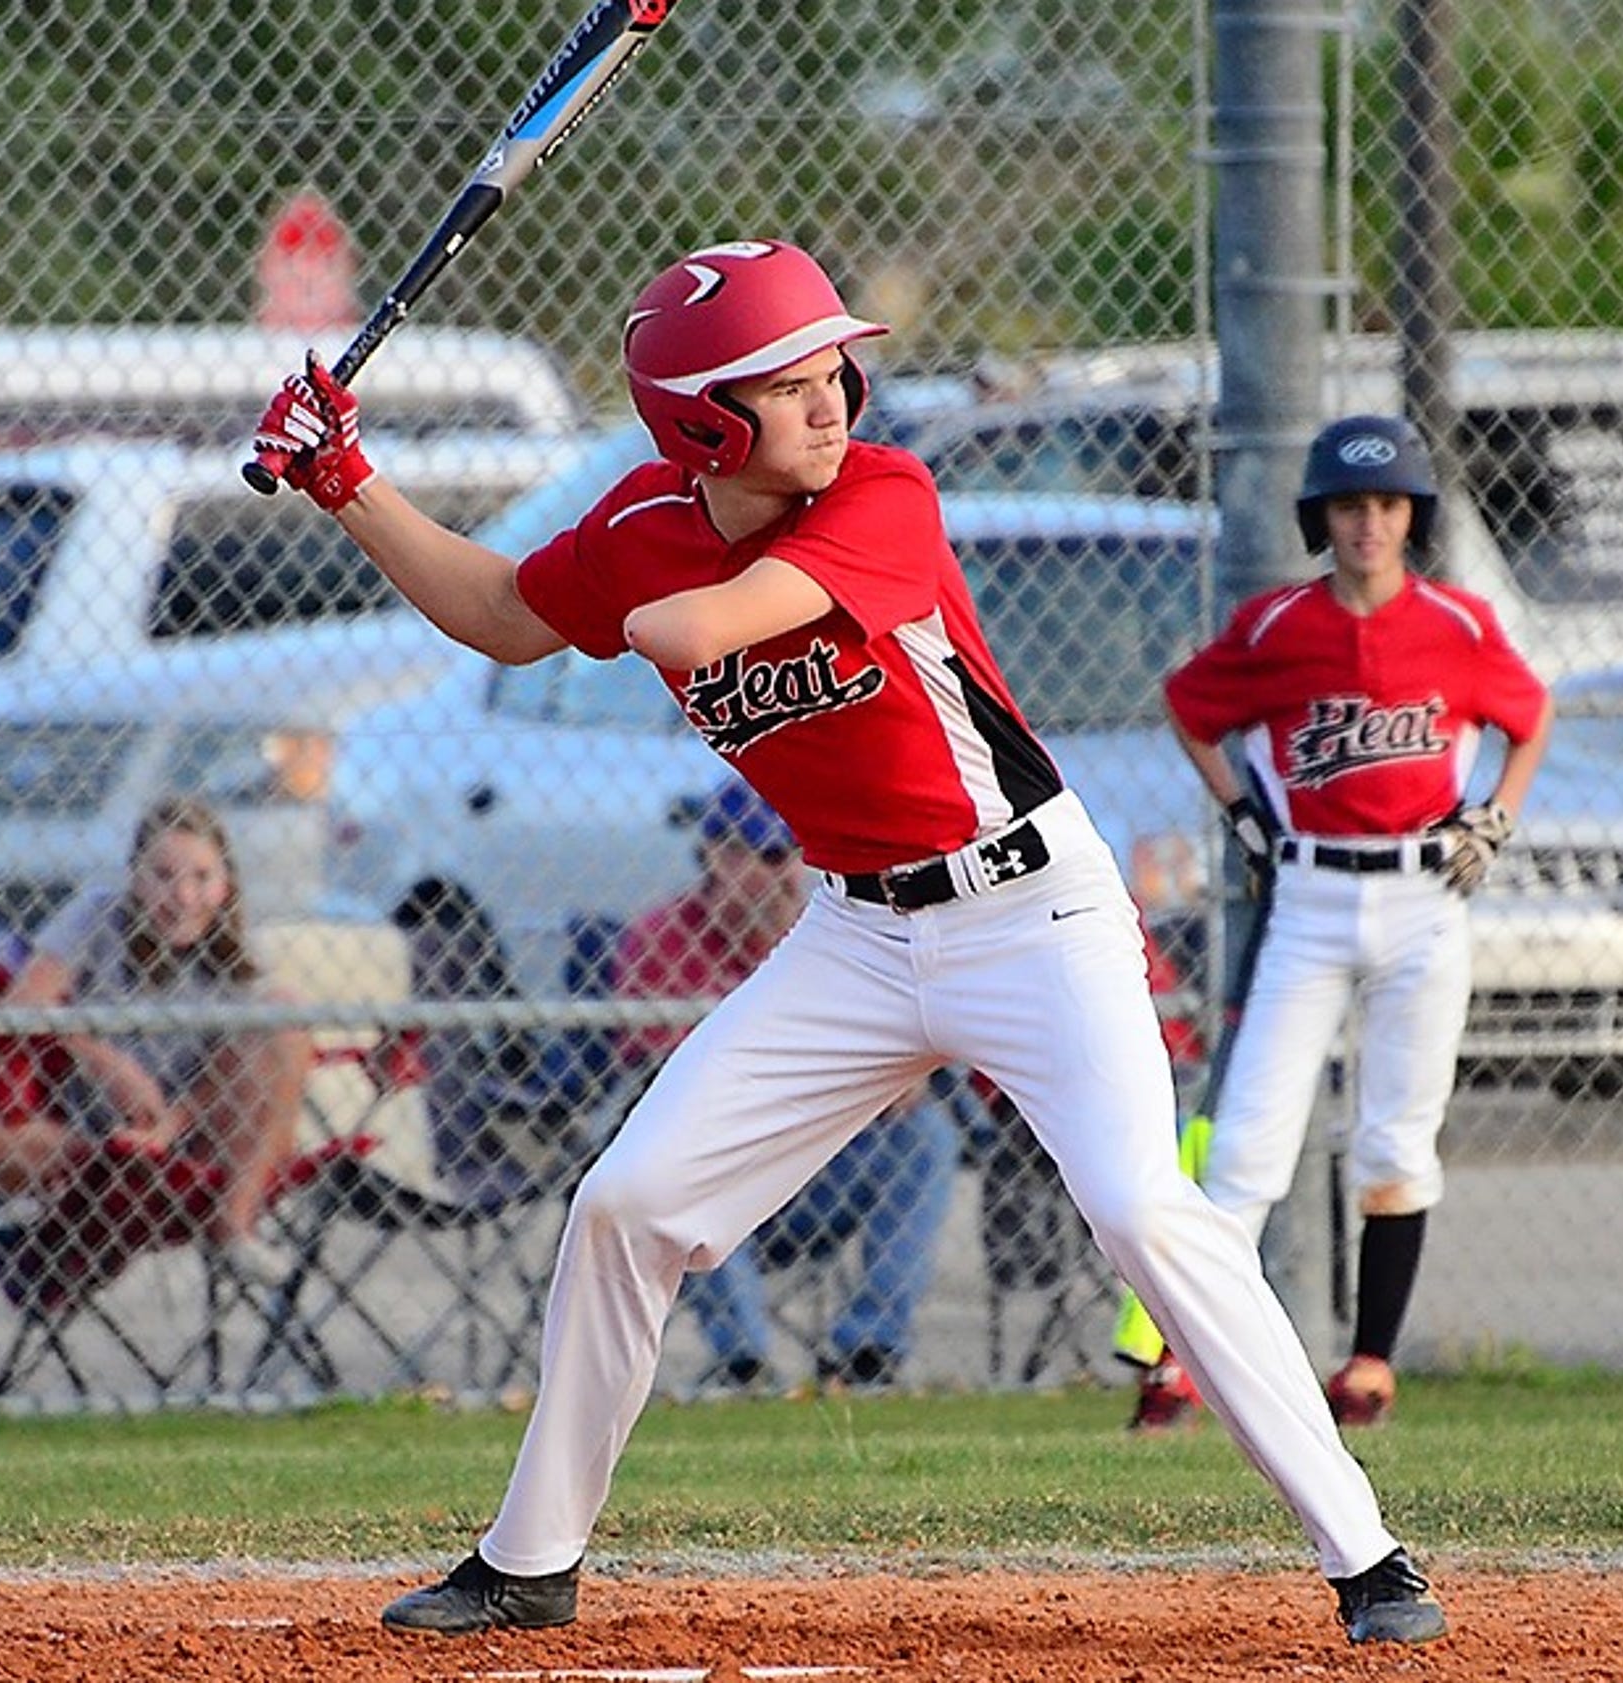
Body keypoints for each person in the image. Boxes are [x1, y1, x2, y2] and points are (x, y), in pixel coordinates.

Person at [252, 237, 1448, 1646]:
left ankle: (1366, 1554)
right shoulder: (643, 521)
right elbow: (502, 613)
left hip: (1031, 912)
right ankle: (529, 1557)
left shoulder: (882, 495)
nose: (832, 397)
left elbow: (709, 621)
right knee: (624, 1204)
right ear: (701, 421)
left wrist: (629, 595)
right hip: (854, 936)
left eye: (832, 367)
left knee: (1137, 1203)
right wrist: (348, 482)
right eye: (787, 380)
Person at [1120, 413, 1554, 1434]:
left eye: (1389, 505)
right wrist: (1240, 810)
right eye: (1352, 506)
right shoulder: (1279, 628)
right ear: (1322, 516)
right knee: (1246, 1152)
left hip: (1424, 899)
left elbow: (1529, 719)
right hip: (1310, 896)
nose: (1370, 524)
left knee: (1397, 1142)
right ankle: (1190, 1363)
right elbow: (1189, 706)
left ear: (1414, 518)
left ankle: (1369, 1365)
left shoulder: (1458, 624)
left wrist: (1495, 815)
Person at [622, 780, 955, 1392]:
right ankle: (741, 1362)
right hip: (720, 1180)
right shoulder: (663, 938)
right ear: (718, 857)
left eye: (794, 857)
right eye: (768, 857)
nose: (785, 877)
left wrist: (891, 1072)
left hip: (817, 1172)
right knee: (679, 1152)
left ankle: (868, 1354)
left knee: (925, 1135)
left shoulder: (828, 932)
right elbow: (674, 1082)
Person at [0, 797, 315, 1308]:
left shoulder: (236, 951)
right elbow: (24, 1004)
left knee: (284, 1019)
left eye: (202, 877)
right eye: (162, 875)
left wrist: (171, 1125)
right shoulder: (99, 912)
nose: (182, 896)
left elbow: (247, 1075)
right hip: (96, 1141)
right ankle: (46, 1215)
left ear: (226, 885)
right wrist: (107, 1062)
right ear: (133, 878)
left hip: (197, 1140)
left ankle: (234, 1227)